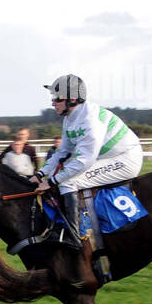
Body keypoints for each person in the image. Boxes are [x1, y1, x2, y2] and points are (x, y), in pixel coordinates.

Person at [34, 74, 143, 253]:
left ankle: (73, 235)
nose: (53, 102)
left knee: (68, 180)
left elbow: (85, 160)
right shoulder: (69, 118)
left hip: (125, 159)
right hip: (107, 156)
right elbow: (63, 152)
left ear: (73, 99)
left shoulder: (90, 119)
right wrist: (39, 174)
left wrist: (51, 181)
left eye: (57, 98)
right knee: (65, 173)